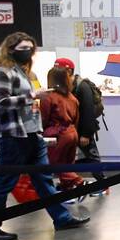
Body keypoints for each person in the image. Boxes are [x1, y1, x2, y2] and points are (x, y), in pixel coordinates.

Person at [0, 33, 89, 240]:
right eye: (23, 47)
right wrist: (31, 97)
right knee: (5, 182)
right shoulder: (1, 72)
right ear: (10, 49)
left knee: (43, 179)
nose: (28, 51)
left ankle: (62, 217)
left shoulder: (20, 72)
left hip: (30, 134)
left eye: (30, 47)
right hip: (14, 135)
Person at [39, 63, 84, 191]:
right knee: (68, 163)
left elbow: (44, 118)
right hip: (72, 132)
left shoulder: (49, 97)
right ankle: (67, 188)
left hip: (57, 134)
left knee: (55, 163)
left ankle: (79, 182)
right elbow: (76, 119)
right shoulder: (72, 98)